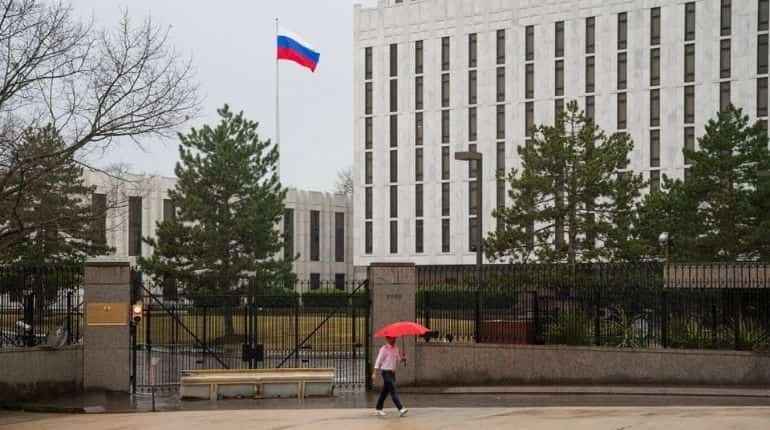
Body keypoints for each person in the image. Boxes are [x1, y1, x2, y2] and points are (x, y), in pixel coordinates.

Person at [372, 336, 408, 417]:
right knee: (393, 390)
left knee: (384, 392)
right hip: (386, 372)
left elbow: (398, 359)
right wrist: (374, 372)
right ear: (387, 339)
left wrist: (403, 359)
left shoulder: (396, 348)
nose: (394, 339)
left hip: (392, 373)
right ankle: (400, 408)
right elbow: (378, 360)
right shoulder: (383, 349)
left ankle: (378, 408)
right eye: (392, 338)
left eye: (394, 338)